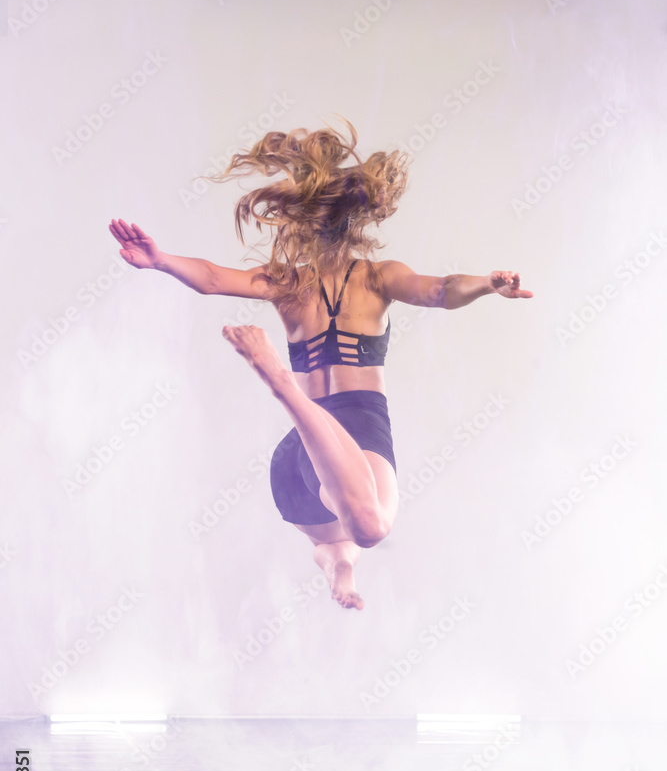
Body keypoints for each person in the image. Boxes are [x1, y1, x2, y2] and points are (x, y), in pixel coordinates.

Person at [109, 117, 532, 610]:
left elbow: (209, 277)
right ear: (358, 222)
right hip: (350, 430)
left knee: (335, 542)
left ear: (302, 223)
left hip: (297, 465)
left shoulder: (296, 281)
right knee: (370, 526)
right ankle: (279, 383)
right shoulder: (372, 277)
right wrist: (487, 284)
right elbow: (439, 291)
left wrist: (161, 260)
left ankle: (339, 566)